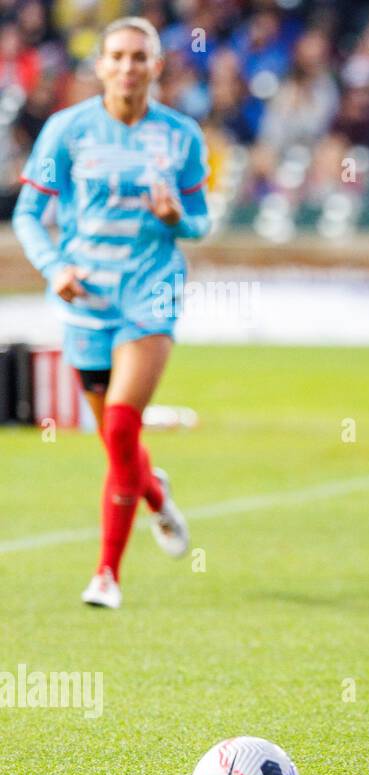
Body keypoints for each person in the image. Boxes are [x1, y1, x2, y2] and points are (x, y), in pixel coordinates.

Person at [13, 17, 210, 608]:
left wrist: (176, 217)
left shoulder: (180, 136)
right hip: (85, 300)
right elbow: (27, 214)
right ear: (99, 66)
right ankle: (155, 492)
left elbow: (201, 221)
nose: (128, 66)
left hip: (150, 291)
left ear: (156, 66)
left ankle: (107, 574)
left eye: (139, 57)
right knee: (115, 440)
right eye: (117, 56)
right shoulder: (66, 131)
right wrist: (55, 268)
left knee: (122, 424)